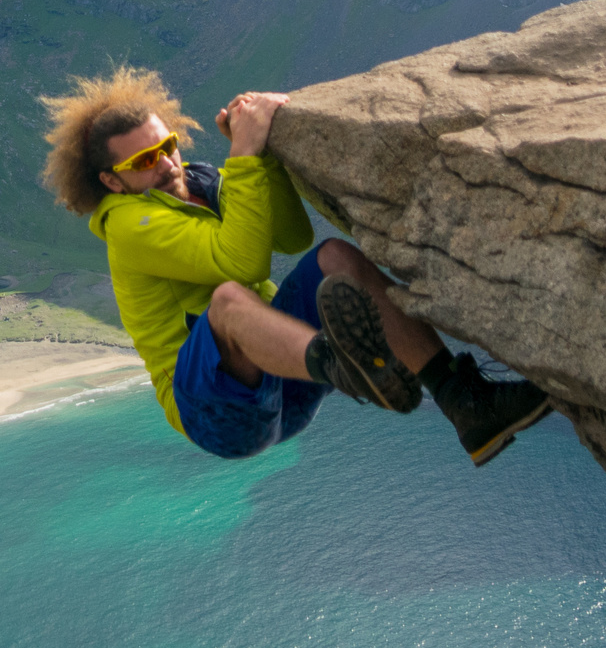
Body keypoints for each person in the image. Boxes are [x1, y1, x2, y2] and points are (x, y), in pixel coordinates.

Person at [40, 66, 551, 464]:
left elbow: (292, 235)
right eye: (143, 161)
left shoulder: (202, 184)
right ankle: (346, 365)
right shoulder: (128, 225)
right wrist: (242, 153)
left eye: (167, 145)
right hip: (215, 412)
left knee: (336, 258)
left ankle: (467, 403)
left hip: (285, 383)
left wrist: (258, 157)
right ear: (112, 181)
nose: (168, 164)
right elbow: (240, 261)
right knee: (227, 302)